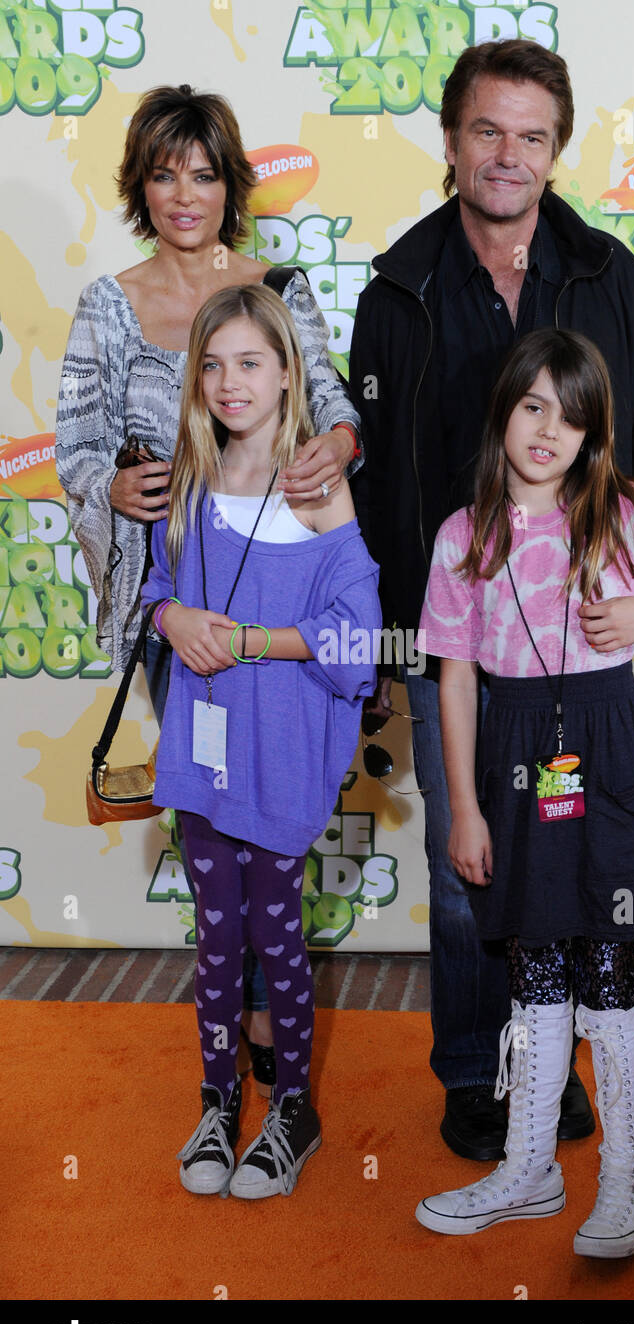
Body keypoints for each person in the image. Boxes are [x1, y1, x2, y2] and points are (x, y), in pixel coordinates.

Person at [349, 39, 634, 1161]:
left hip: (579, 646)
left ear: (557, 150)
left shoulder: (609, 276)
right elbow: (369, 464)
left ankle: (546, 1068)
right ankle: (471, 1072)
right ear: (450, 143)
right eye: (486, 130)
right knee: (468, 868)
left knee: (570, 870)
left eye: (531, 135)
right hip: (456, 645)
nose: (507, 154)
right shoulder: (397, 288)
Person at [56, 84, 363, 1084]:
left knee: (275, 809)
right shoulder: (111, 302)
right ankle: (235, 1035)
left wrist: (342, 443)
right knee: (216, 817)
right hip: (171, 606)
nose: (184, 192)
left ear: (229, 184)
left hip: (280, 597)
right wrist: (115, 482)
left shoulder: (278, 281)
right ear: (141, 183)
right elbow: (75, 449)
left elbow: (331, 400)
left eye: (204, 171)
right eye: (164, 171)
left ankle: (274, 1035)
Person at [413, 328, 634, 1256]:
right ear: (505, 411)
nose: (548, 431)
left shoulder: (625, 511)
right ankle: (529, 1169)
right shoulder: (463, 536)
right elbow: (452, 678)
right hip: (515, 756)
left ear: (594, 435)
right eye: (533, 406)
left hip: (609, 749)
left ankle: (626, 1182)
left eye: (571, 419)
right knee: (533, 971)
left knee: (607, 969)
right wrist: (466, 807)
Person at [140, 283, 380, 1198]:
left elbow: (356, 638)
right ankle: (215, 1099)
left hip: (280, 759)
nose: (230, 382)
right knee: (215, 937)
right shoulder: (193, 485)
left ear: (289, 373)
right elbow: (156, 593)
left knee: (278, 938)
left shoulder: (318, 494)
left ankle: (292, 1109)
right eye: (212, 365)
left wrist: (246, 640)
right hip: (204, 759)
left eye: (250, 363)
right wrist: (173, 619)